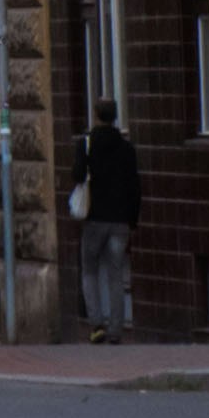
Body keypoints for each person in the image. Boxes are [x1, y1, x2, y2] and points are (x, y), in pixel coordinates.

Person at [73, 105, 139, 338]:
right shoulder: (127, 148)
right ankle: (116, 329)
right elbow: (135, 186)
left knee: (89, 270)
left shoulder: (87, 144)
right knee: (116, 274)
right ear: (115, 117)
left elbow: (77, 175)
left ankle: (96, 324)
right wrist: (133, 220)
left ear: (96, 116)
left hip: (94, 219)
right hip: (120, 220)